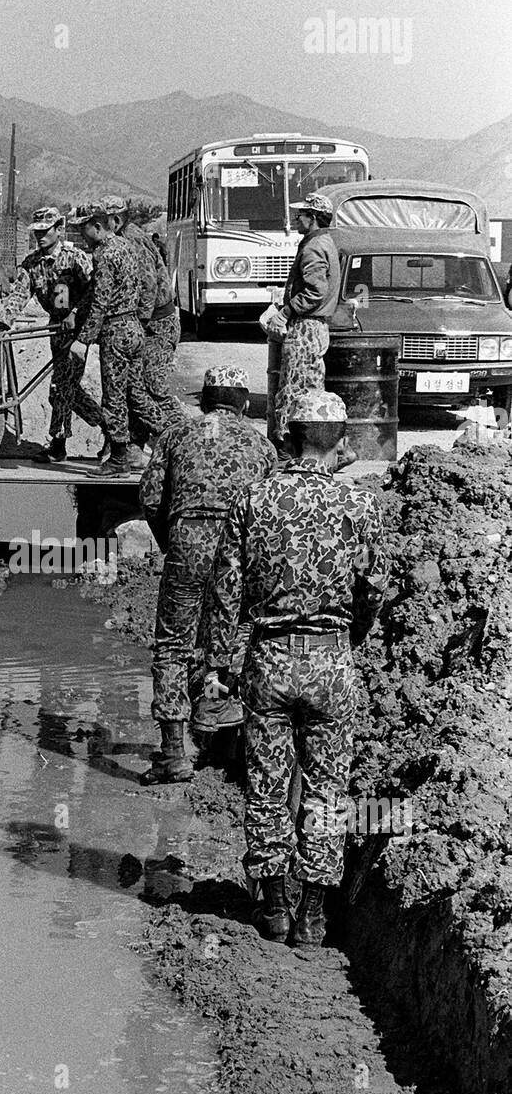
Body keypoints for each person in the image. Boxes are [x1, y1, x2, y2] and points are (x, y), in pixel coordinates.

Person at [202, 390, 387, 948]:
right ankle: (313, 915)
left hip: (269, 661)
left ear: (291, 433)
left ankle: (275, 904)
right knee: (329, 791)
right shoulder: (360, 505)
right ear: (339, 442)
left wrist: (218, 662)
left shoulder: (254, 499)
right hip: (331, 661)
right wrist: (348, 637)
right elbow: (373, 589)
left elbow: (225, 588)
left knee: (266, 782)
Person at [139, 367, 276, 785]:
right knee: (237, 635)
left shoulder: (177, 435)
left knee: (173, 646)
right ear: (245, 403)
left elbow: (149, 497)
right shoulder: (262, 445)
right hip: (240, 545)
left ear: (203, 400)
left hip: (188, 538)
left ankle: (173, 754)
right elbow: (271, 511)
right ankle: (226, 735)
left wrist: (173, 543)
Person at [0, 206, 103, 461]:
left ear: (58, 229)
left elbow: (93, 292)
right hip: (56, 330)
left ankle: (62, 443)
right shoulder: (32, 264)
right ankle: (106, 428)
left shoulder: (75, 258)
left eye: (45, 231)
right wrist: (3, 323)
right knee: (66, 389)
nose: (40, 236)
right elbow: (19, 295)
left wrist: (75, 313)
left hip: (77, 331)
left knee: (62, 388)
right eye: (37, 232)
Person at [66, 203, 161, 475]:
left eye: (83, 228)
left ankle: (119, 459)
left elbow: (100, 301)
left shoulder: (105, 254)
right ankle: (171, 433)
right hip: (133, 327)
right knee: (137, 394)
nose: (81, 235)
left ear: (98, 225)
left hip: (116, 332)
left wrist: (83, 339)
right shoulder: (127, 246)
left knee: (115, 397)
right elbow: (142, 286)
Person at [267, 192, 340, 453]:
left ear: (313, 218)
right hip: (316, 326)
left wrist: (285, 312)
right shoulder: (325, 242)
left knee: (293, 391)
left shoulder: (313, 247)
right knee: (311, 390)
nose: (297, 219)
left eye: (301, 215)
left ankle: (289, 449)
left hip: (306, 328)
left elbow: (315, 291)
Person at [104, 197, 184, 435]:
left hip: (157, 324)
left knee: (153, 387)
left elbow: (148, 286)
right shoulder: (124, 238)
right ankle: (136, 448)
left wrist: (139, 322)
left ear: (116, 221)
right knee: (134, 388)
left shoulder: (132, 241)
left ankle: (183, 438)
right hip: (149, 322)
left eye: (102, 221)